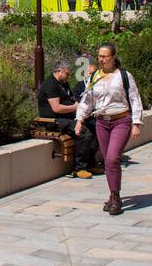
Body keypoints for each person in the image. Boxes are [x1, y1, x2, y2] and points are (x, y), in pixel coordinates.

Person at [74, 42, 143, 216]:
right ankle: (114, 195)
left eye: (105, 56)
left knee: (112, 158)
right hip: (102, 123)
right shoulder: (94, 76)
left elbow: (134, 98)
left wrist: (136, 123)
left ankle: (115, 196)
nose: (101, 59)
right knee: (107, 160)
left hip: (121, 120)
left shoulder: (124, 76)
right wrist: (80, 119)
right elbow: (87, 100)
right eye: (99, 56)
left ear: (113, 58)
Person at [37, 61, 98, 177]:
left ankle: (90, 164)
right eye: (67, 74)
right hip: (56, 121)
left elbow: (72, 98)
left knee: (95, 127)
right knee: (85, 133)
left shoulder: (63, 83)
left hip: (68, 117)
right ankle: (79, 168)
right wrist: (75, 107)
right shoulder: (51, 84)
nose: (69, 77)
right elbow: (56, 108)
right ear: (59, 71)